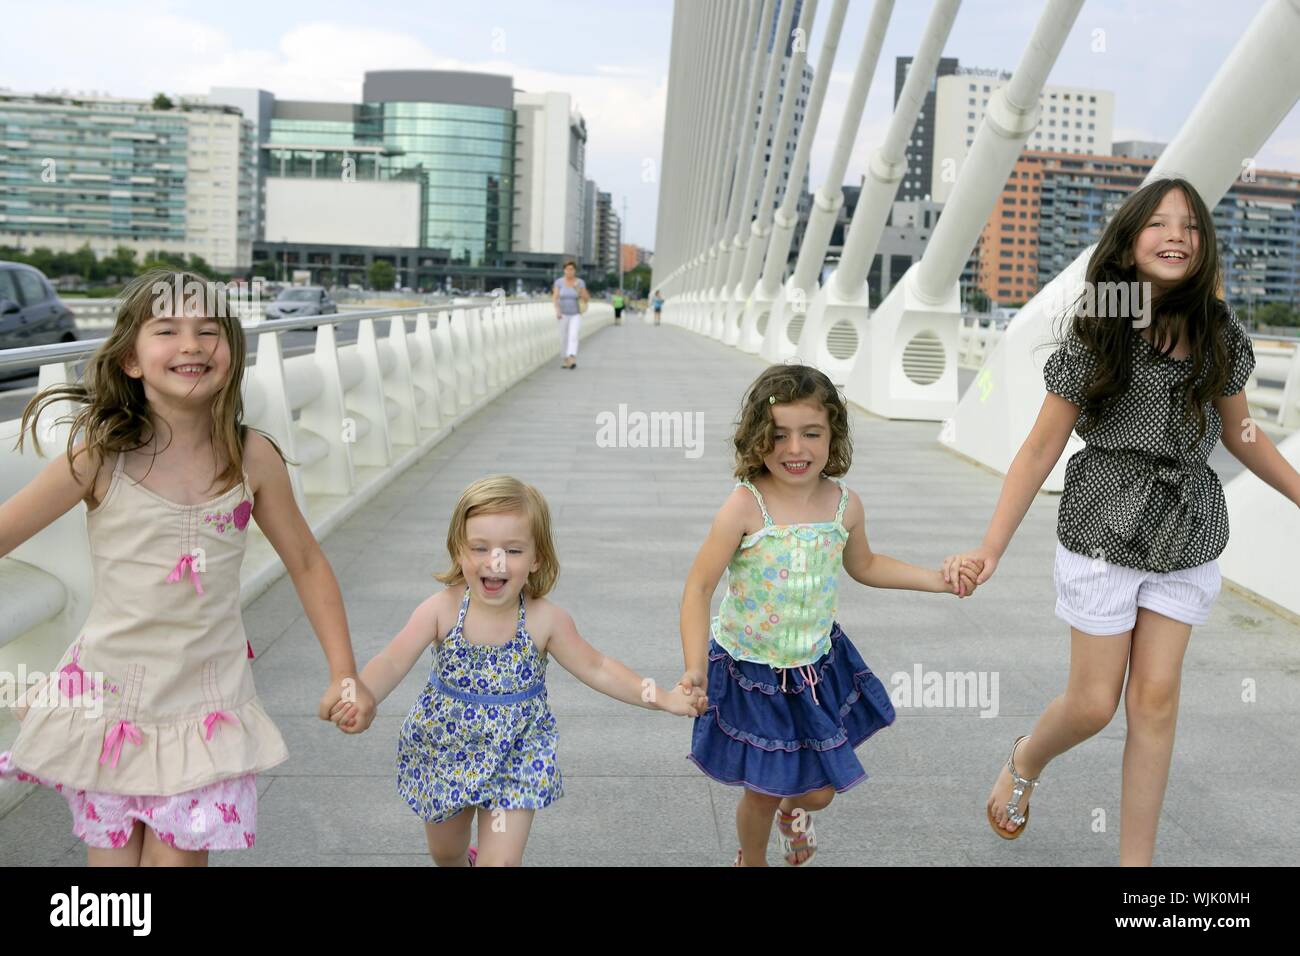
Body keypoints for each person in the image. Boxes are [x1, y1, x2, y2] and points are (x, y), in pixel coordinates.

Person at [943, 177, 1300, 865]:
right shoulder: (1103, 323)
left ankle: (1137, 871)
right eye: (1158, 224)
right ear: (1129, 241)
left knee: (1157, 699)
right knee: (1093, 703)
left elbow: (1243, 431)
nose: (1175, 237)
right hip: (1104, 522)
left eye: (1191, 227)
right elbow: (1042, 445)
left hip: (1187, 524)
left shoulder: (1218, 332)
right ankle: (1026, 758)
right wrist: (991, 547)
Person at [0, 269, 374, 866]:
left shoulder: (252, 457)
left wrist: (344, 671)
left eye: (209, 330)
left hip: (205, 711)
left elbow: (306, 562)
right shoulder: (101, 455)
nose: (192, 344)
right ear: (130, 359)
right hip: (108, 707)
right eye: (167, 330)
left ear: (233, 348)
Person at [678, 363, 983, 866]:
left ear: (832, 435)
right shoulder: (744, 506)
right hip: (751, 671)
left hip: (814, 670)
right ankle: (750, 860)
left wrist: (937, 580)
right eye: (778, 435)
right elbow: (698, 588)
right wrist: (694, 667)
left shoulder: (844, 505)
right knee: (761, 787)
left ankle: (793, 812)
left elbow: (865, 565)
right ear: (757, 438)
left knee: (818, 791)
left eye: (810, 434)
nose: (795, 449)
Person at [329, 475, 707, 866]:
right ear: (459, 552)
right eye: (480, 548)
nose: (495, 562)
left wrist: (663, 697)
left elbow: (598, 667)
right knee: (446, 853)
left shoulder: (545, 621)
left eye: (512, 550)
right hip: (445, 748)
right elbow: (392, 659)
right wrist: (362, 692)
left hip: (516, 753)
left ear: (536, 557)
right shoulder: (441, 609)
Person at [551, 261, 589, 370]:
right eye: (567, 269)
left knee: (573, 335)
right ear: (564, 270)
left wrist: (578, 289)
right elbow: (555, 297)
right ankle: (565, 359)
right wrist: (557, 310)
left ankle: (572, 358)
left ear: (575, 270)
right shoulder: (559, 282)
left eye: (572, 269)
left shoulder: (580, 282)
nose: (569, 271)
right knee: (564, 337)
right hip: (562, 313)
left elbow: (586, 298)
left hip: (575, 314)